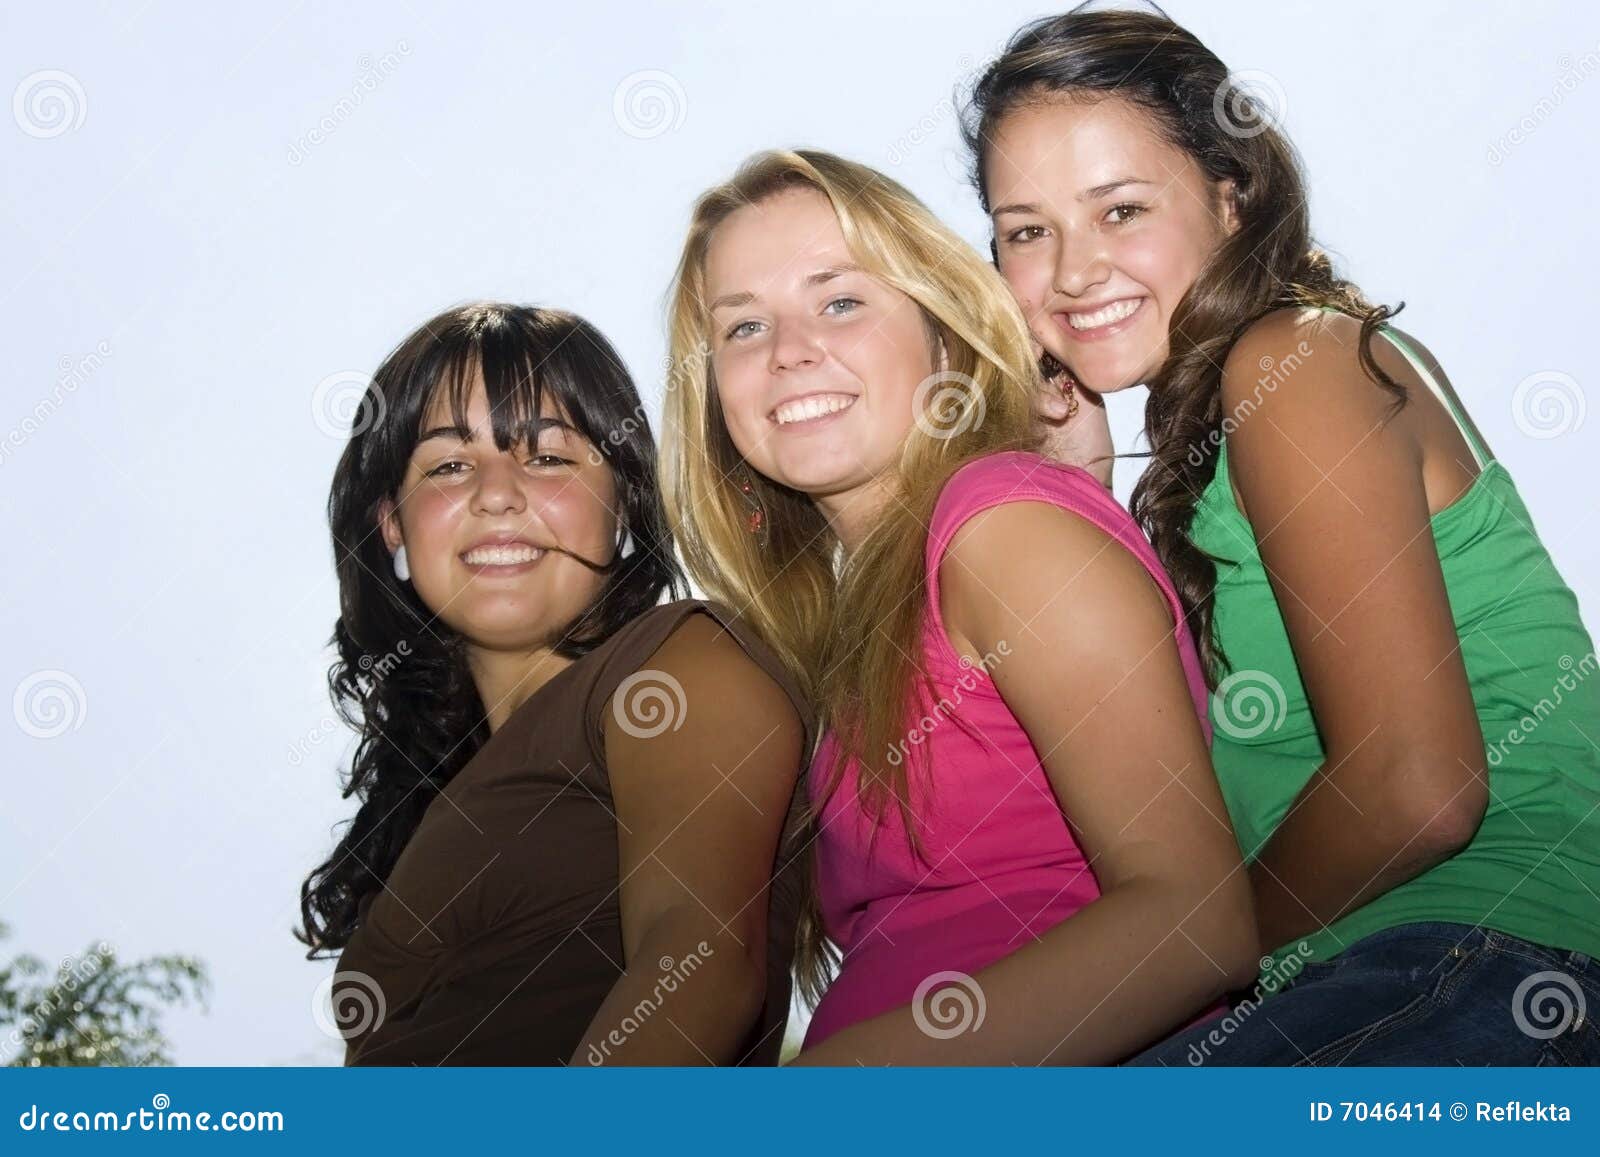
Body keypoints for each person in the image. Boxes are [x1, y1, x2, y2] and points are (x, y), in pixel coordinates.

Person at [965, 4, 1600, 1064]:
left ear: (1232, 194)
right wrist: (1071, 489)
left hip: (1479, 966)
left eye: (1119, 210)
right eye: (1027, 230)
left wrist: (1189, 952)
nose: (1071, 270)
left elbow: (1416, 787)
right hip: (1373, 978)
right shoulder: (1216, 446)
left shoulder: (1293, 362)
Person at [660, 148, 1257, 1064]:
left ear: (943, 333)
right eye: (742, 328)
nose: (787, 351)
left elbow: (1197, 920)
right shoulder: (859, 615)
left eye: (841, 301)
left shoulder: (1002, 525)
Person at [296, 303, 813, 1065]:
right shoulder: (451, 801)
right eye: (447, 464)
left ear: (624, 502)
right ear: (393, 525)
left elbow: (701, 968)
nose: (497, 493)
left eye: (548, 457)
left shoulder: (680, 664)